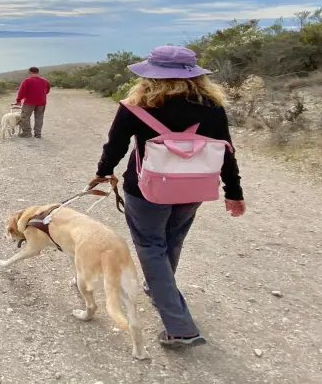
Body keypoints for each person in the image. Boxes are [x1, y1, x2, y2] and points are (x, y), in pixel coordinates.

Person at [88, 45, 245, 348]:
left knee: (151, 247)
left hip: (146, 190)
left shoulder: (136, 106)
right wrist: (233, 192)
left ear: (151, 75)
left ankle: (180, 327)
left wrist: (103, 172)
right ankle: (160, 288)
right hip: (194, 188)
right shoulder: (212, 106)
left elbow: (115, 146)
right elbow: (226, 152)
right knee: (172, 241)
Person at [14, 66, 51, 138]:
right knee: (39, 117)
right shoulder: (45, 81)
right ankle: (38, 134)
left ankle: (27, 133)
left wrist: (18, 100)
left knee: (25, 117)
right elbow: (47, 91)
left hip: (29, 102)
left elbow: (21, 92)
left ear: (29, 72)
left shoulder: (27, 81)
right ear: (38, 72)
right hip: (41, 102)